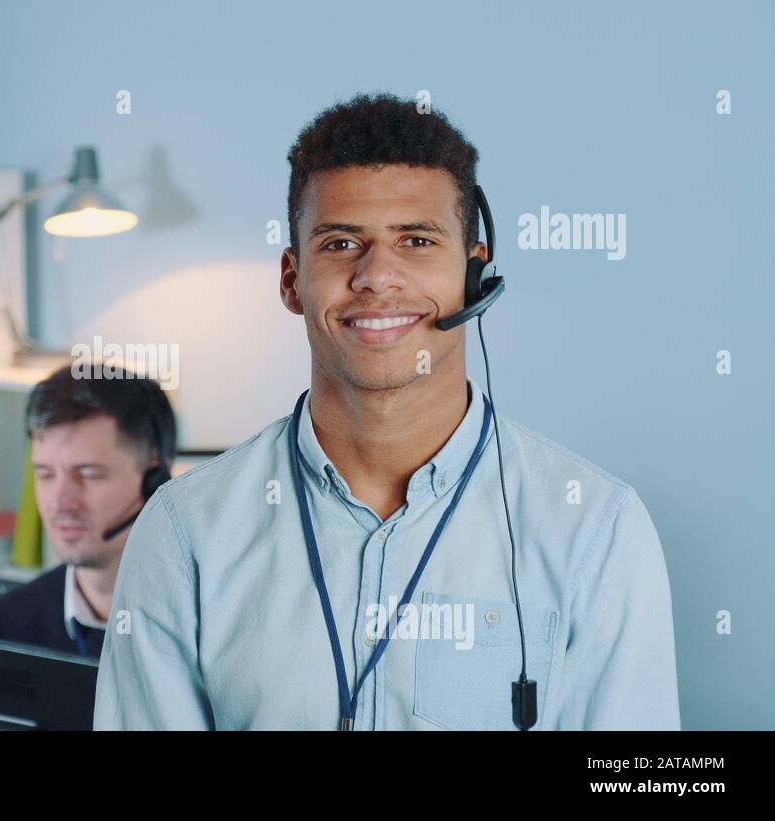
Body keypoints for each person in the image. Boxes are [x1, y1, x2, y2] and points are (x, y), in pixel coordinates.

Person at [94, 93, 679, 730]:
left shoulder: (596, 529)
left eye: (417, 240)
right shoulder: (184, 532)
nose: (377, 276)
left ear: (475, 276)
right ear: (291, 280)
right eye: (342, 243)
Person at [0, 365, 176, 657]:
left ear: (155, 481)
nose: (60, 502)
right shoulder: (4, 628)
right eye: (45, 475)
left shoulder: (212, 622)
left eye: (89, 474)